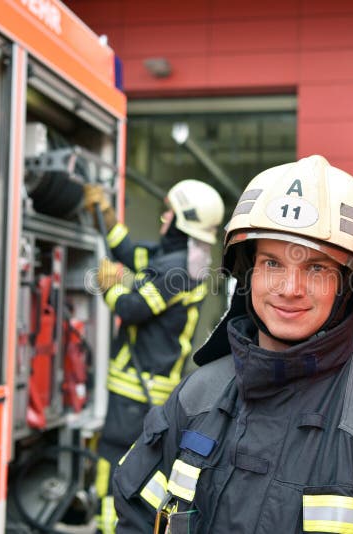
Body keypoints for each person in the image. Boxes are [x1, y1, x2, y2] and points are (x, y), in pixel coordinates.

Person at [110, 155, 353, 533]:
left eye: (316, 268)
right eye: (272, 264)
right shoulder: (195, 398)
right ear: (248, 272)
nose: (289, 289)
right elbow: (136, 519)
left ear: (348, 286)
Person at [85, 179, 225, 534]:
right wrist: (106, 217)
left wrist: (109, 287)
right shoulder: (182, 259)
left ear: (181, 220)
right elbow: (132, 254)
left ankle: (107, 526)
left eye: (170, 211)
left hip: (137, 389)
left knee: (113, 463)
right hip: (149, 385)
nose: (163, 215)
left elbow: (133, 308)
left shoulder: (175, 270)